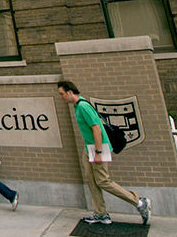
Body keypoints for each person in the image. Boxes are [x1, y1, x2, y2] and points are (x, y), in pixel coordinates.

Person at [57, 80, 151, 225]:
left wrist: (99, 152)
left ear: (70, 92)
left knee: (103, 181)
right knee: (91, 180)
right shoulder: (77, 107)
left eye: (62, 94)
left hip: (98, 147)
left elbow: (96, 128)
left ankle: (138, 202)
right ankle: (100, 213)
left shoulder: (83, 106)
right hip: (89, 148)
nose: (61, 97)